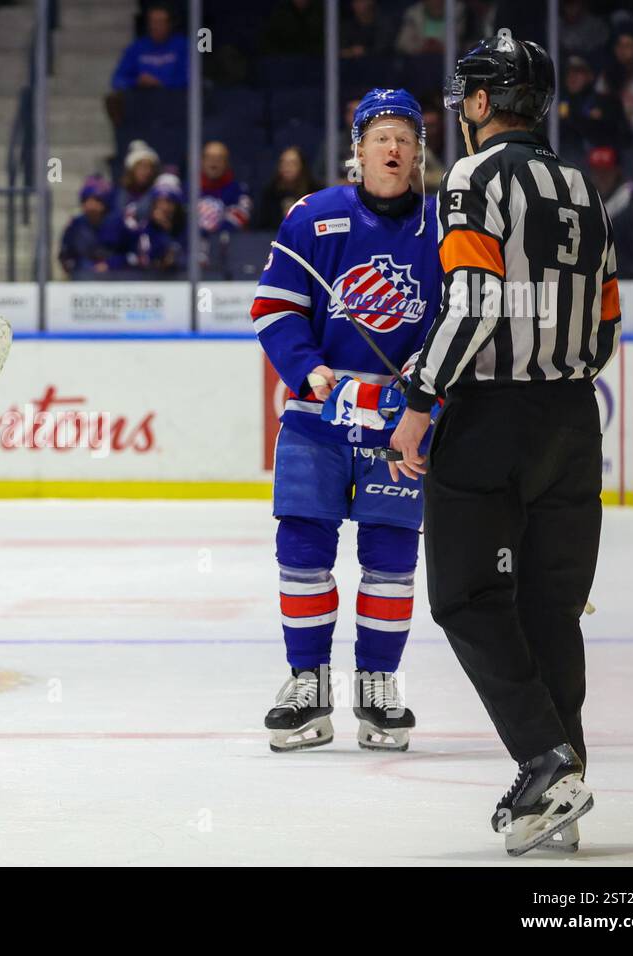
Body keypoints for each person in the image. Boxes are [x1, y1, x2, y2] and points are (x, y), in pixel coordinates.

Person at [388, 30, 620, 856]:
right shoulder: (582, 184)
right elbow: (605, 327)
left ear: (484, 103)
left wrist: (420, 398)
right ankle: (562, 780)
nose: (460, 112)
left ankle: (544, 759)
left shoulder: (473, 176)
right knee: (548, 607)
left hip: (491, 421)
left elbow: (478, 301)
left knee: (463, 596)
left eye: (466, 97)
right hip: (571, 420)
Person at [249, 88, 440, 755]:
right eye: (381, 137)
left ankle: (378, 686)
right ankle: (308, 683)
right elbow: (274, 308)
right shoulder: (314, 216)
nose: (393, 149)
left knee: (390, 556)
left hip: (401, 423)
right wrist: (308, 369)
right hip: (315, 415)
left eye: (406, 139)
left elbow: (459, 323)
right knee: (302, 548)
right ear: (356, 150)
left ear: (419, 152)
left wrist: (422, 384)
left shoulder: (444, 229)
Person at [59, 174, 116, 277]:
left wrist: (109, 264)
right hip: (83, 277)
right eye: (87, 201)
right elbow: (65, 254)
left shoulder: (117, 224)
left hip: (115, 278)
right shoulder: (75, 225)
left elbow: (126, 254)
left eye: (96, 201)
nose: (91, 205)